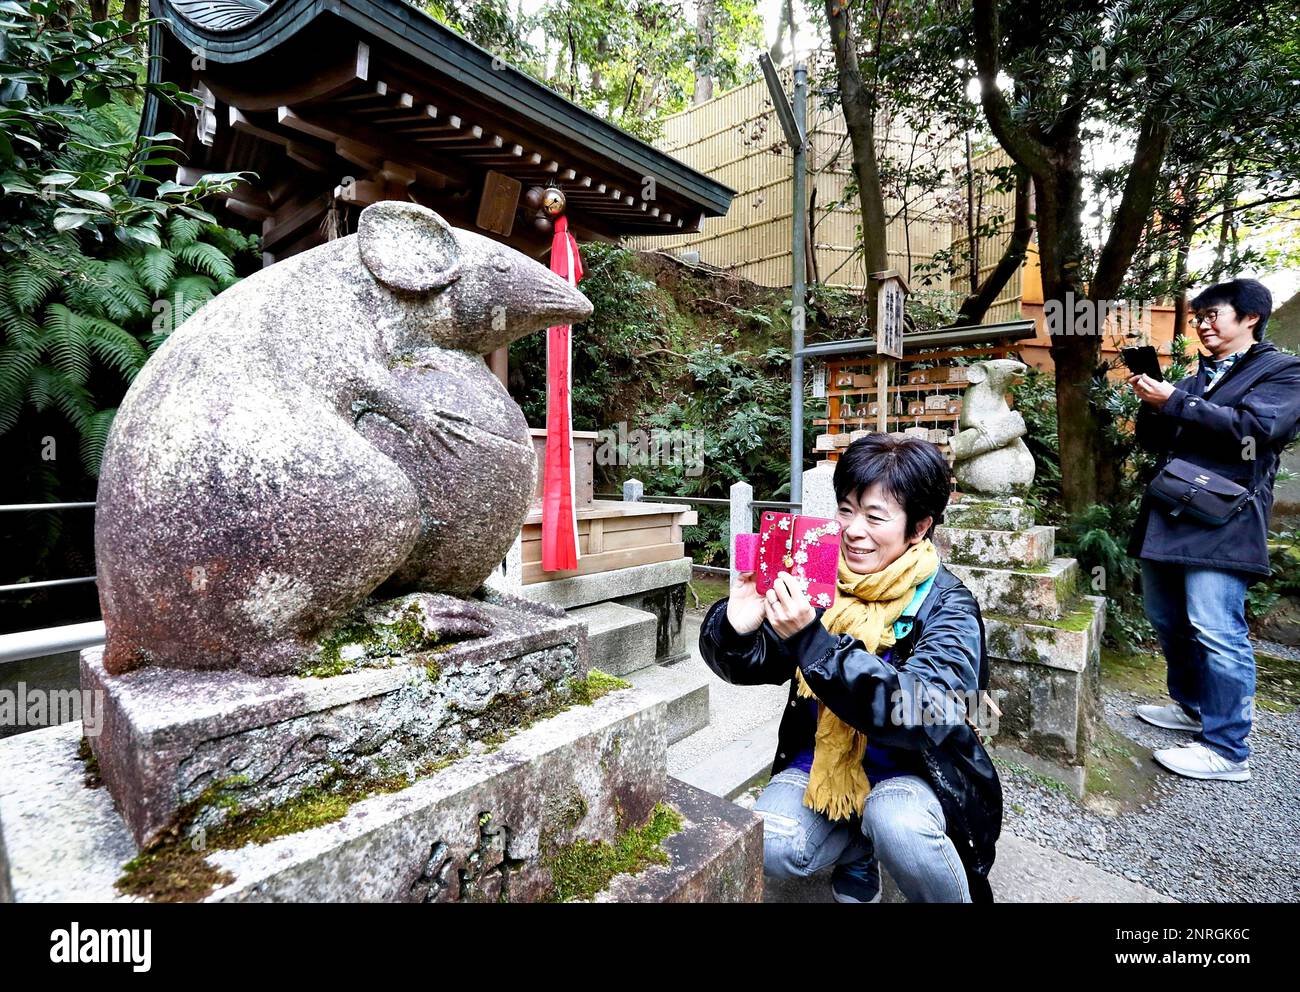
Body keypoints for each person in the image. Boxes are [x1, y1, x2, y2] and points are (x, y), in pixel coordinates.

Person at [698, 434, 1002, 903]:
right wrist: (735, 627)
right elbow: (753, 664)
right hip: (822, 764)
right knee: (771, 842)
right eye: (846, 510)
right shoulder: (818, 580)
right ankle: (855, 849)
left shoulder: (949, 605)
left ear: (919, 527)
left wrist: (814, 644)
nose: (853, 530)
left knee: (895, 821)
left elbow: (924, 709)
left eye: (875, 516)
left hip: (914, 772)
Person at [1127, 278, 1300, 782]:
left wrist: (1177, 402)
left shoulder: (1282, 371)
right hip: (1171, 512)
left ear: (1249, 317)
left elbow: (1256, 431)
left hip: (1224, 520)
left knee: (1217, 629)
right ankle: (1191, 706)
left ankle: (1228, 749)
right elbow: (1153, 440)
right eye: (1198, 316)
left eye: (1212, 314)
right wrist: (1153, 398)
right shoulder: (1196, 376)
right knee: (1167, 618)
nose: (1203, 324)